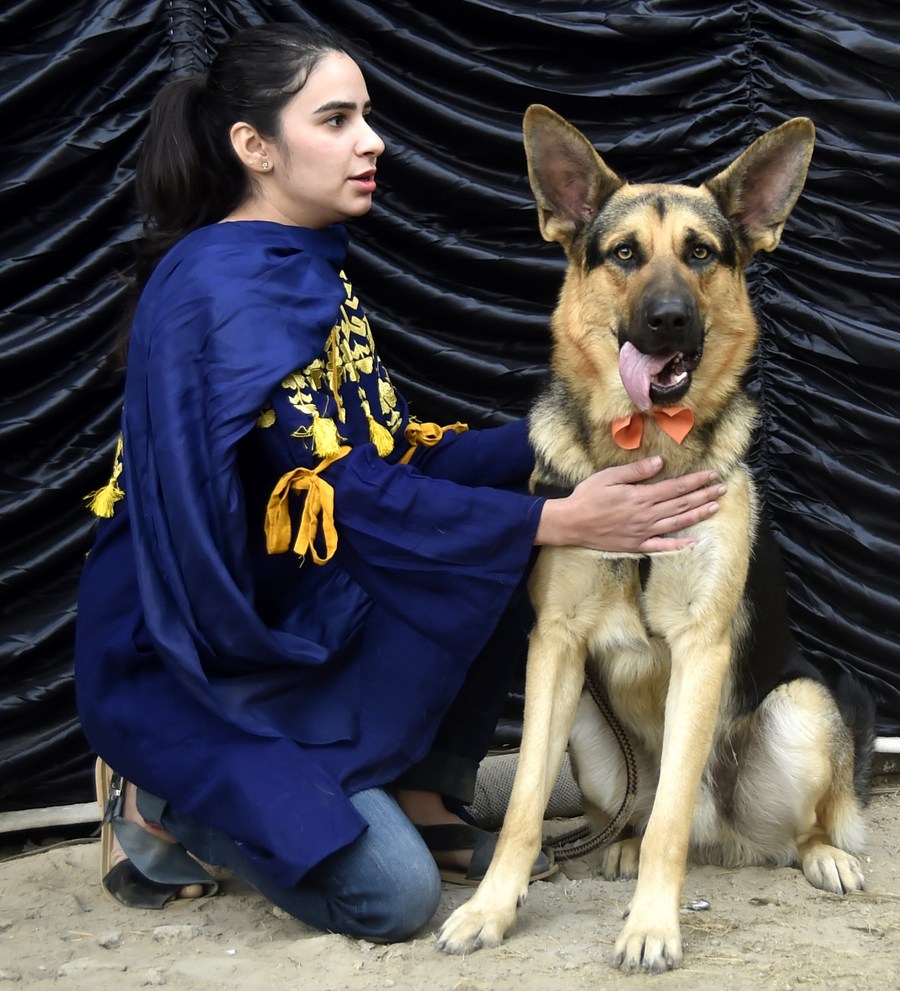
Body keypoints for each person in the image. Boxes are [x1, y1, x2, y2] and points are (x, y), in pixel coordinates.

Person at [74, 22, 726, 942]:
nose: (371, 140)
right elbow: (344, 498)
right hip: (200, 655)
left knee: (522, 511)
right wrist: (554, 518)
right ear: (255, 148)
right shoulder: (224, 288)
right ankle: (159, 792)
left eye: (367, 117)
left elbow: (384, 457)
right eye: (336, 120)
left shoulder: (304, 265)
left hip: (299, 593)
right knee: (395, 896)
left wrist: (567, 440)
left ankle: (420, 787)